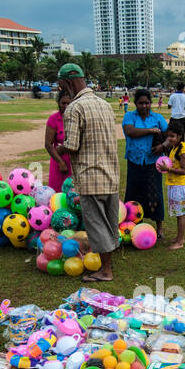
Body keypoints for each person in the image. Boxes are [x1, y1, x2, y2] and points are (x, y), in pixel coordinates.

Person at [57, 63, 122, 281]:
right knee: (110, 223)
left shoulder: (74, 108)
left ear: (67, 82)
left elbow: (73, 145)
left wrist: (59, 148)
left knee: (96, 223)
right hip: (111, 173)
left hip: (90, 175)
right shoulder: (105, 104)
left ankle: (106, 270)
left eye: (61, 86)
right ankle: (108, 265)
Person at [122, 88, 168, 238]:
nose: (144, 106)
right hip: (135, 161)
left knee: (155, 193)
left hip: (153, 163)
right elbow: (130, 132)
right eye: (141, 103)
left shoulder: (158, 118)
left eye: (147, 103)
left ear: (151, 103)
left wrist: (163, 146)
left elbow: (171, 135)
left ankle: (159, 227)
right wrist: (151, 131)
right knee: (133, 193)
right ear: (135, 103)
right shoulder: (129, 116)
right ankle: (132, 225)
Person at [154, 124, 185, 249]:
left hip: (180, 186)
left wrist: (168, 169)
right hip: (174, 185)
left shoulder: (183, 151)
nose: (169, 138)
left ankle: (180, 241)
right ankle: (179, 237)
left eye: (173, 136)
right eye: (168, 136)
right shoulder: (174, 148)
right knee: (178, 213)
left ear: (179, 136)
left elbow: (184, 170)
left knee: (180, 214)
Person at [44, 89, 73, 190]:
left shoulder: (76, 118)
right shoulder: (53, 119)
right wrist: (61, 163)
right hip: (59, 162)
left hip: (74, 162)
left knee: (73, 194)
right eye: (63, 103)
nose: (66, 106)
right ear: (59, 103)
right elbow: (48, 144)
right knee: (56, 192)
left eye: (69, 103)